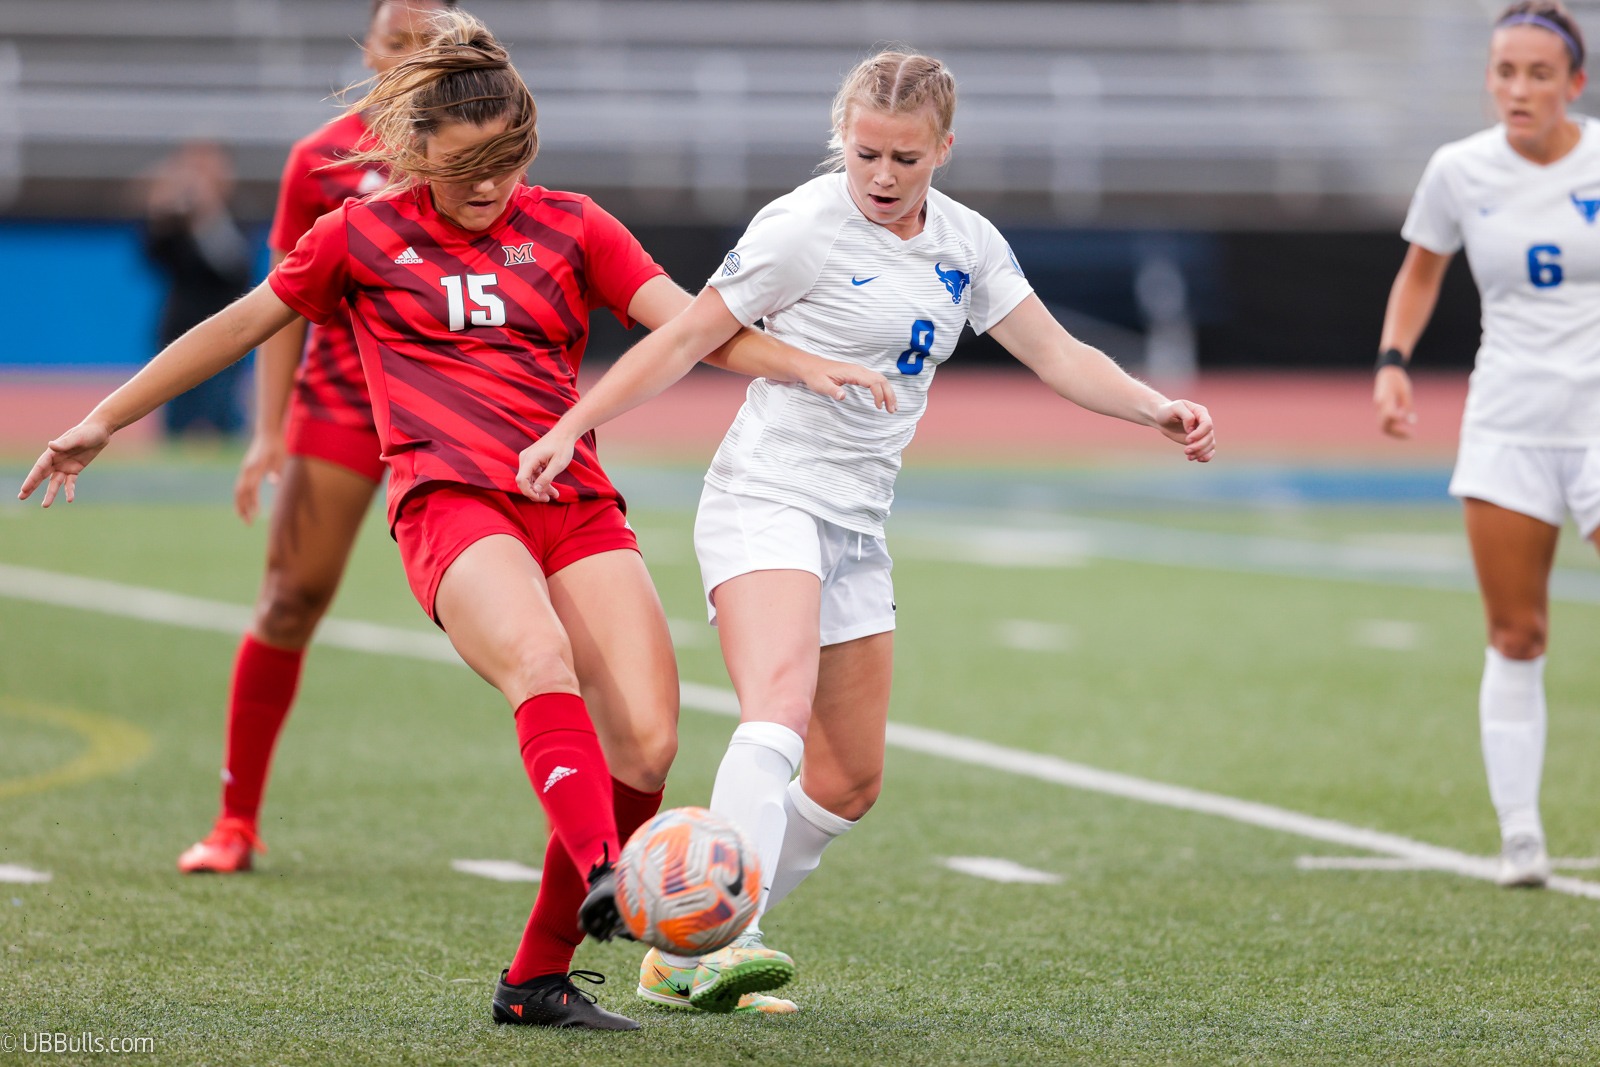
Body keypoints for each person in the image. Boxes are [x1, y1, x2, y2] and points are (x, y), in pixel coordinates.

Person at [19, 11, 891, 1030]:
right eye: (467, 164)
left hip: (571, 501)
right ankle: (608, 865)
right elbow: (239, 323)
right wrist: (102, 419)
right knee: (539, 659)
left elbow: (689, 322)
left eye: (509, 161)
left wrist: (804, 361)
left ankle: (535, 978)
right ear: (411, 147)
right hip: (449, 502)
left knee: (649, 746)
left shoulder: (571, 223)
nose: (490, 186)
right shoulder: (358, 234)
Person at [517, 48, 1216, 1014]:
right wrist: (573, 424)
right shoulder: (802, 225)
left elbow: (1054, 351)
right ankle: (722, 937)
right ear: (841, 140)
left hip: (857, 520)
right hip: (767, 495)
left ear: (944, 150)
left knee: (847, 781)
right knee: (774, 706)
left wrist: (1155, 409)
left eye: (906, 159)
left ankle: (682, 944)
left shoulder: (968, 242)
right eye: (866, 154)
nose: (883, 178)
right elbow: (685, 335)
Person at [176, 0, 456, 878]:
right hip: (341, 407)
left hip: (452, 411)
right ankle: (235, 821)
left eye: (427, 43)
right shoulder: (320, 159)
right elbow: (282, 302)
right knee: (290, 599)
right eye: (395, 41)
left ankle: (590, 829)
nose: (409, 56)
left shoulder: (479, 146)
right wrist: (268, 430)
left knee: (535, 624)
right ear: (366, 51)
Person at [1374, 0, 1598, 890]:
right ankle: (1520, 834)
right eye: (1505, 70)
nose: (1519, 88)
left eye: (1539, 73)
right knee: (1518, 631)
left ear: (1573, 84)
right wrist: (1393, 362)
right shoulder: (1458, 169)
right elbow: (1420, 271)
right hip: (1508, 418)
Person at [142, 140, 253, 438]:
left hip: (226, 334)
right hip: (180, 332)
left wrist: (207, 214)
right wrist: (159, 214)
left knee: (224, 421)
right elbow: (152, 258)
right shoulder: (176, 222)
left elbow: (233, 267)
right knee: (177, 423)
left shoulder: (235, 215)